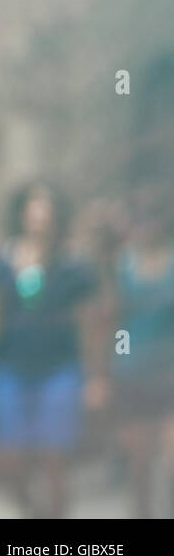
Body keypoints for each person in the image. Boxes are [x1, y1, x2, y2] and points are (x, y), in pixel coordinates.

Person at [0, 182, 105, 518]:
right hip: (11, 366)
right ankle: (33, 510)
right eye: (33, 207)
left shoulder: (74, 265)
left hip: (59, 366)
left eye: (46, 208)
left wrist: (97, 376)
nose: (39, 216)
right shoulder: (3, 261)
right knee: (9, 458)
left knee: (54, 456)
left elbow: (91, 322)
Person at [110, 188, 174, 518]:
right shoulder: (121, 264)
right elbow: (105, 318)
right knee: (140, 463)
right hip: (132, 372)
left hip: (170, 373)